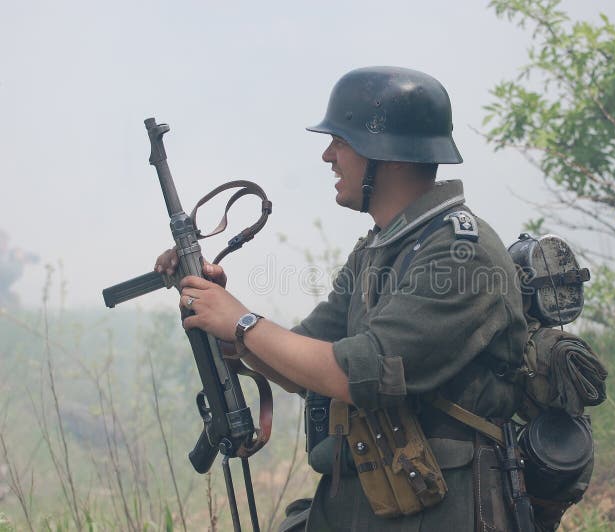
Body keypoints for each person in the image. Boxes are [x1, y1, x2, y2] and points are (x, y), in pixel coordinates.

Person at [156, 66, 528, 531]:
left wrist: (242, 324)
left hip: (443, 511)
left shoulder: (460, 254)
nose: (329, 155)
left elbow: (356, 374)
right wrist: (218, 315)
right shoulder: (381, 247)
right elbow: (304, 359)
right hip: (378, 503)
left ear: (388, 155)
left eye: (342, 141)